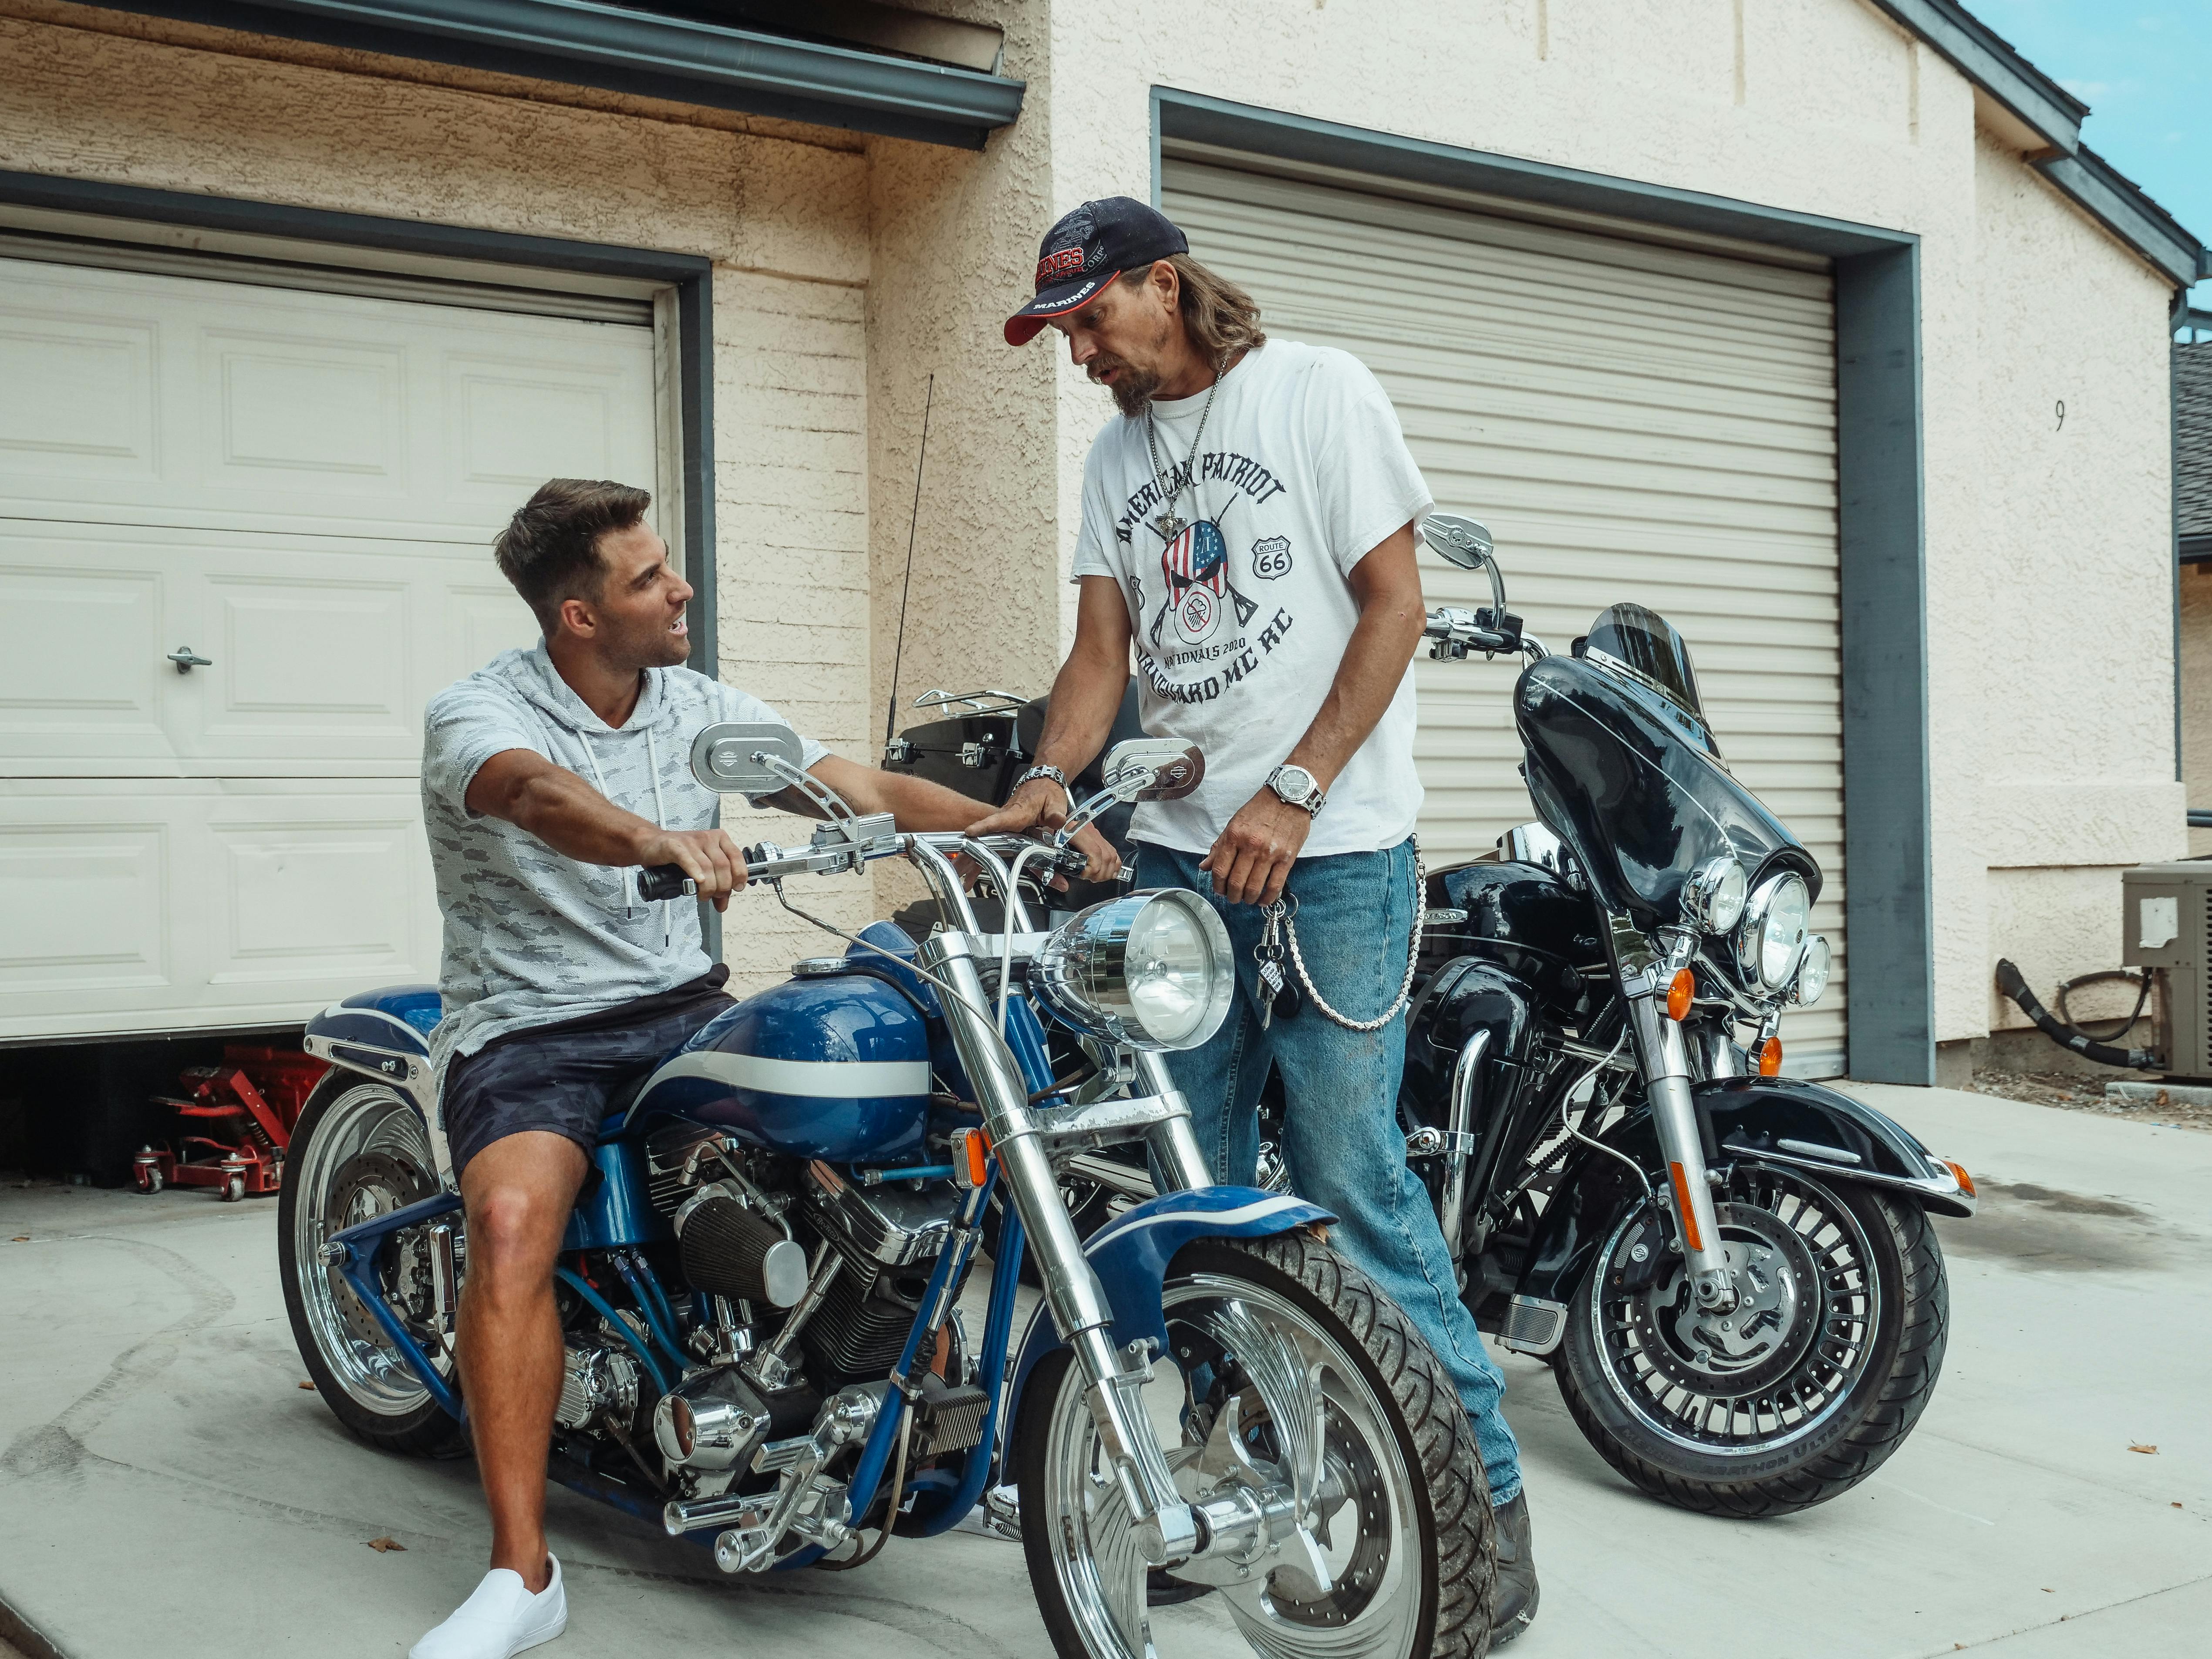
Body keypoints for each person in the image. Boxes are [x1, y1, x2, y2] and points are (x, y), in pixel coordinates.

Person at [408, 478, 1111, 1659]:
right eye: (648, 578)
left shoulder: (696, 705)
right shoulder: (477, 710)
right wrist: (654, 838)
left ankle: (871, 1407)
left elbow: (859, 788)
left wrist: (1001, 830)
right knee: (515, 1223)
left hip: (678, 1004)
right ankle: (521, 1573)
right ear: (579, 616)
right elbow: (532, 794)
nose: (680, 588)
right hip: (535, 1026)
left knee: (871, 1153)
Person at [975, 198, 1539, 1643]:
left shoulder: (1318, 391)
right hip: (1179, 864)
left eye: (1090, 321)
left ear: (1164, 284)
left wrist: (1293, 789)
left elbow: (1395, 607)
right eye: (1061, 334)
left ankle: (1485, 1511)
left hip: (1337, 851)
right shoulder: (1116, 458)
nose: (1080, 354)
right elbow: (1102, 653)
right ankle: (1239, 1475)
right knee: (1191, 1189)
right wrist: (1051, 777)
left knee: (1354, 1175)